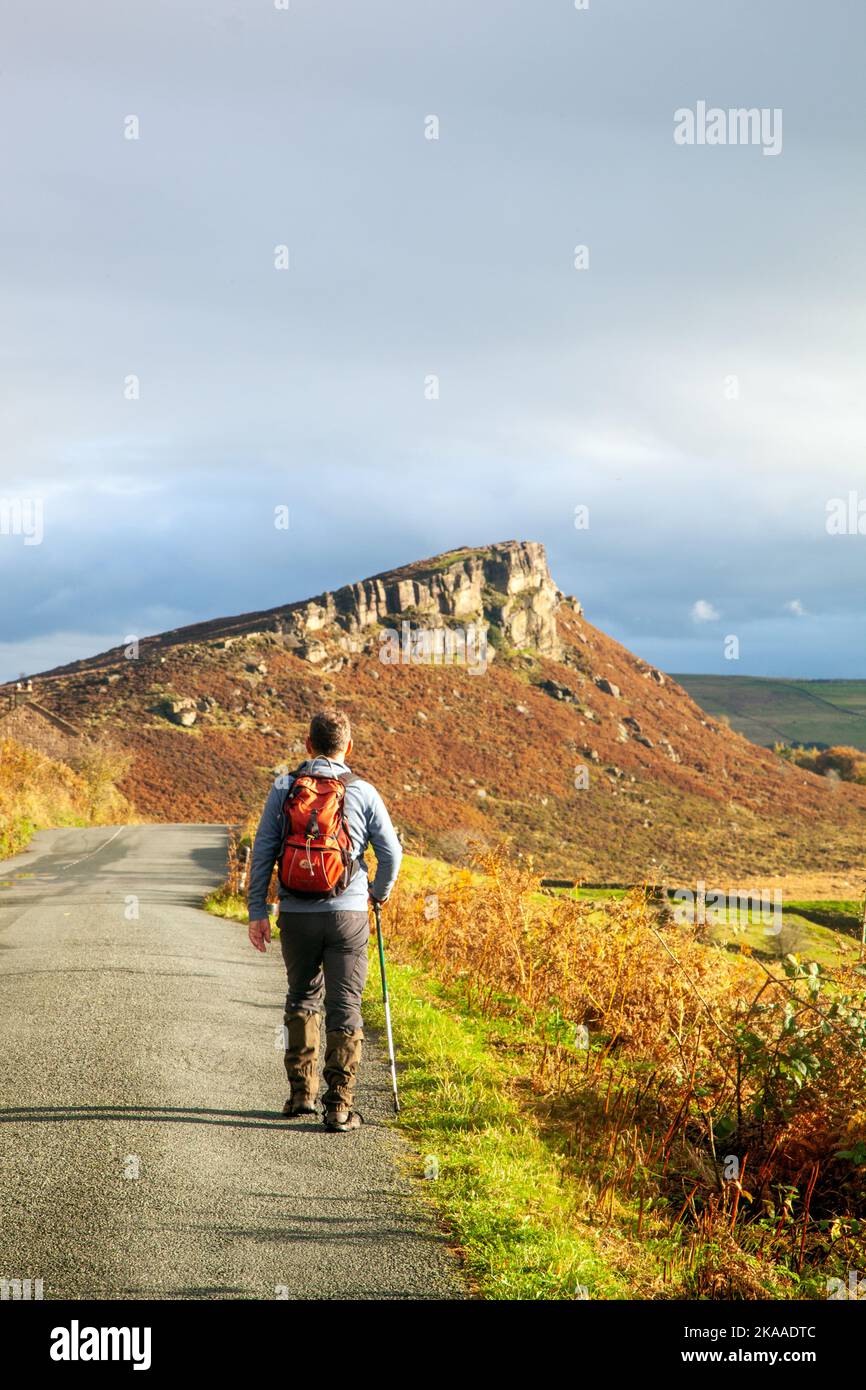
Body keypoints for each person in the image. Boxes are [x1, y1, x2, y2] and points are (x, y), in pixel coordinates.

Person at [247, 708, 402, 1132]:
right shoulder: (364, 791)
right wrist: (376, 894)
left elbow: (263, 851)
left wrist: (258, 911)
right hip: (348, 914)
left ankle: (301, 1096)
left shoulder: (283, 787)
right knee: (345, 1004)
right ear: (347, 747)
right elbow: (391, 854)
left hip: (295, 913)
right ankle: (338, 1105)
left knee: (301, 997)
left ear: (308, 744)